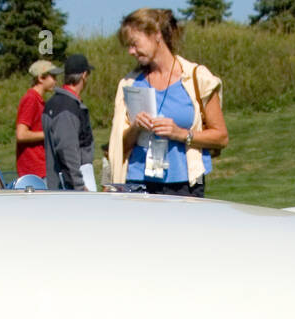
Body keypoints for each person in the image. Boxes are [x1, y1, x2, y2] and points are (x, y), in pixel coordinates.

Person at [109, 8, 227, 196]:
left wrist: (180, 134)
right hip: (137, 183)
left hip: (184, 185)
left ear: (156, 35)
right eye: (128, 47)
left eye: (134, 44)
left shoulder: (197, 78)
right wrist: (136, 127)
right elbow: (118, 146)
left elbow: (221, 137)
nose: (131, 51)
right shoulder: (129, 83)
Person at [42, 54, 95, 191]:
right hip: (70, 190)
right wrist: (79, 186)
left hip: (59, 186)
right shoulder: (67, 108)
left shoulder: (53, 103)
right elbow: (67, 149)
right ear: (84, 75)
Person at [16, 60, 60, 181]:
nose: (56, 80)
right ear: (41, 78)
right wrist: (49, 134)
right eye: (53, 77)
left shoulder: (39, 100)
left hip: (42, 168)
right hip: (35, 171)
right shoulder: (31, 99)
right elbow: (21, 134)